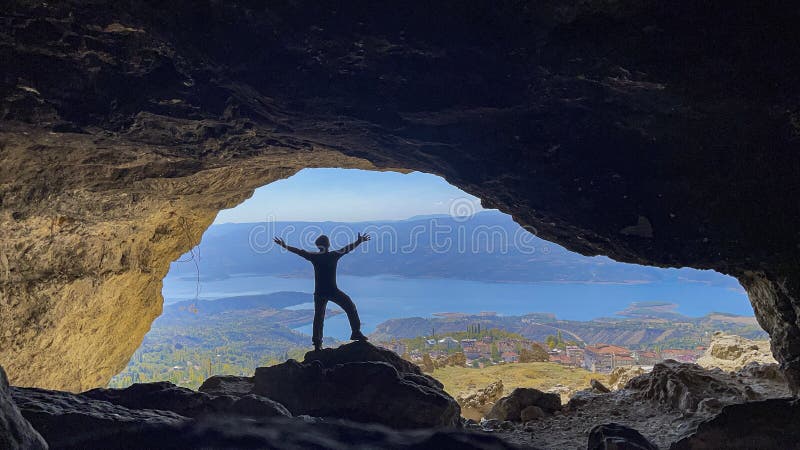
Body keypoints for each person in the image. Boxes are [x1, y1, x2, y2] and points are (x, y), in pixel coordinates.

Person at [273, 232, 371, 351]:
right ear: (328, 244)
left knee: (318, 317)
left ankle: (317, 344)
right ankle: (356, 332)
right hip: (333, 291)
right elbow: (347, 249)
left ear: (318, 246)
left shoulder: (314, 257)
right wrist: (359, 241)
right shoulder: (334, 255)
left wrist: (284, 245)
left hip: (319, 293)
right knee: (350, 306)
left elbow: (299, 251)